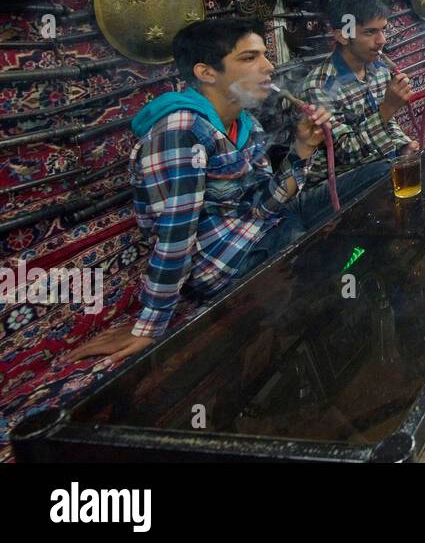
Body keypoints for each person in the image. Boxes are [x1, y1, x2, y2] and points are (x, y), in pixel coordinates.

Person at [76, 19, 334, 364]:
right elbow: (175, 232)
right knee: (333, 258)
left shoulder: (246, 123)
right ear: (206, 72)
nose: (269, 67)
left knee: (371, 184)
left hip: (266, 226)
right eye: (249, 58)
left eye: (265, 56)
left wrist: (303, 148)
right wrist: (151, 324)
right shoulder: (182, 131)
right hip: (229, 259)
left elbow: (262, 206)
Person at [298, 0, 418, 189]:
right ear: (343, 36)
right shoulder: (320, 87)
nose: (382, 40)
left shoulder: (379, 69)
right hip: (338, 183)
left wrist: (402, 144)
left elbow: (389, 124)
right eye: (370, 32)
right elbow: (347, 153)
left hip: (379, 165)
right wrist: (387, 108)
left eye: (383, 30)